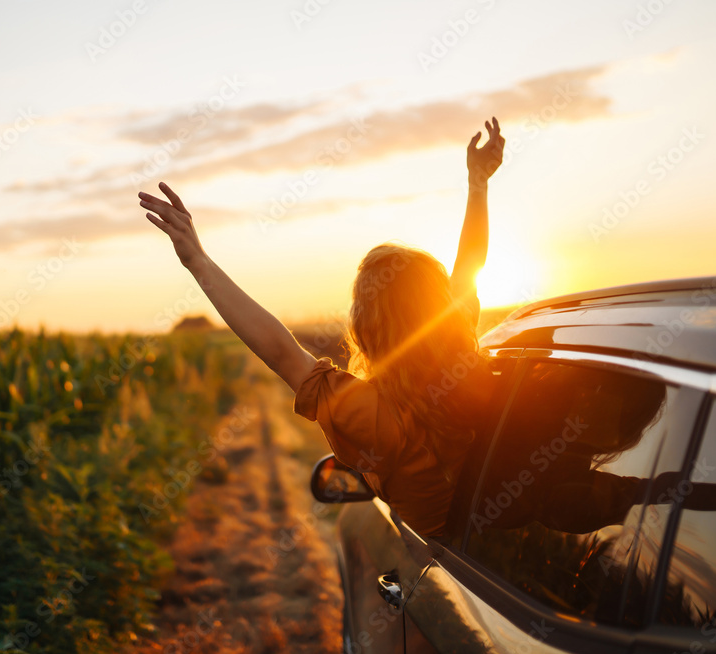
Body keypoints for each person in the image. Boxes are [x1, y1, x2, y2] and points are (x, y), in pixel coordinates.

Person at [137, 117, 505, 537]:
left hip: (450, 574)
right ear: (437, 304)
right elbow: (471, 265)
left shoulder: (377, 416)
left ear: (366, 325)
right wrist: (478, 183)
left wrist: (198, 262)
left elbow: (280, 351)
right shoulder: (462, 355)